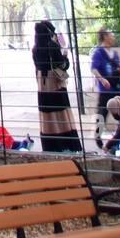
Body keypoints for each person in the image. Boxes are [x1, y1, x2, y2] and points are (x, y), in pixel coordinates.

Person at [32, 20, 82, 152]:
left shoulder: (35, 49)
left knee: (47, 115)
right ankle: (66, 144)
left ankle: (51, 146)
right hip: (55, 84)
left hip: (42, 86)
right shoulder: (52, 46)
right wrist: (65, 55)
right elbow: (62, 65)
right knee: (61, 114)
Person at [91, 27, 120, 148]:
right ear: (105, 37)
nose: (113, 37)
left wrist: (119, 70)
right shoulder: (99, 52)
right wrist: (102, 79)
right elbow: (94, 68)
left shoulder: (115, 54)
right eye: (112, 35)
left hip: (117, 88)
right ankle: (98, 135)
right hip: (105, 90)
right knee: (102, 114)